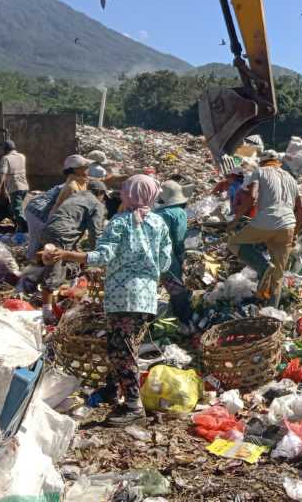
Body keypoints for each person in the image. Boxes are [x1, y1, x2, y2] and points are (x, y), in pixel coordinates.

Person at [47, 175, 171, 425]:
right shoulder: (159, 223)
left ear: (130, 195)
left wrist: (66, 254)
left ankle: (133, 407)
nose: (121, 195)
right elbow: (165, 262)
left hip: (122, 296)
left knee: (121, 350)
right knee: (121, 346)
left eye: (124, 191)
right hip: (146, 297)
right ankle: (112, 390)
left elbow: (102, 256)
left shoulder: (121, 222)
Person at [228, 150, 302, 305]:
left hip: (266, 220)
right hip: (288, 225)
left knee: (234, 243)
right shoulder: (291, 178)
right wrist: (295, 233)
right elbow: (300, 210)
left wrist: (235, 221)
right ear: (278, 162)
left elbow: (252, 196)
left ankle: (263, 266)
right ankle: (271, 311)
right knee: (278, 275)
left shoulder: (260, 171)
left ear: (262, 162)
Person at [37, 180, 109, 316]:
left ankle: (69, 294)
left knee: (74, 263)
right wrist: (99, 256)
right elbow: (95, 233)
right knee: (53, 272)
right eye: (103, 196)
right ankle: (47, 313)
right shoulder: (96, 204)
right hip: (62, 236)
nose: (103, 199)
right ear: (100, 193)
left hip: (49, 230)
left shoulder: (76, 196)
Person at [154, 180, 193, 327]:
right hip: (167, 258)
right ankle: (184, 322)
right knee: (178, 291)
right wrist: (181, 259)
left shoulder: (154, 213)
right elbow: (179, 240)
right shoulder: (178, 213)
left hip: (150, 258)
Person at [0, 140, 29, 232]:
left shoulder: (5, 158)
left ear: (5, 150)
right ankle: (20, 228)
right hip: (24, 187)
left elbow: (3, 174)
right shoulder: (22, 156)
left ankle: (28, 228)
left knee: (17, 211)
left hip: (15, 187)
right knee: (14, 209)